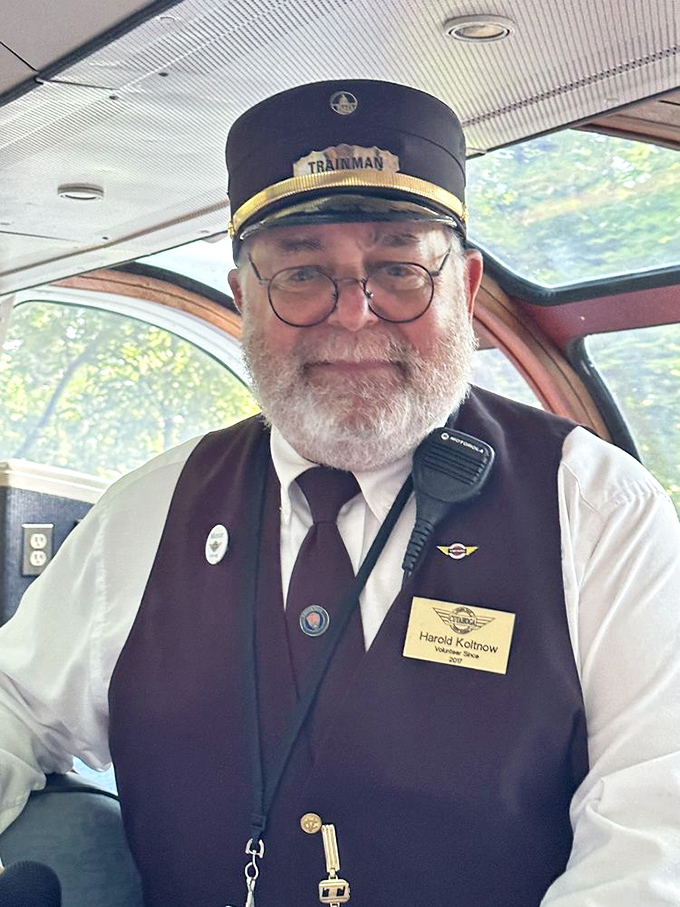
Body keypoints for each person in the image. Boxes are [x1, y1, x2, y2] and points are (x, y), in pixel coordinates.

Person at [0, 79, 679, 907]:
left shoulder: (596, 505)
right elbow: (16, 702)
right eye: (301, 273)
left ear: (463, 292)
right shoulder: (149, 509)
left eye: (398, 269)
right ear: (245, 295)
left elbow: (655, 820)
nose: (354, 315)